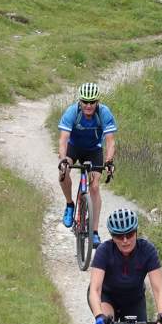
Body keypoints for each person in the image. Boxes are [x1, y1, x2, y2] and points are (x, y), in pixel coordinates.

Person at [56, 82, 117, 247]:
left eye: (92, 102)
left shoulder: (103, 113)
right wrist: (63, 159)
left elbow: (110, 142)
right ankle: (70, 204)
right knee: (64, 170)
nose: (88, 105)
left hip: (93, 150)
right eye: (85, 102)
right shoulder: (72, 112)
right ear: (80, 101)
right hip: (74, 148)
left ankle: (94, 231)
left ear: (97, 101)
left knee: (95, 187)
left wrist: (109, 161)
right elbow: (63, 139)